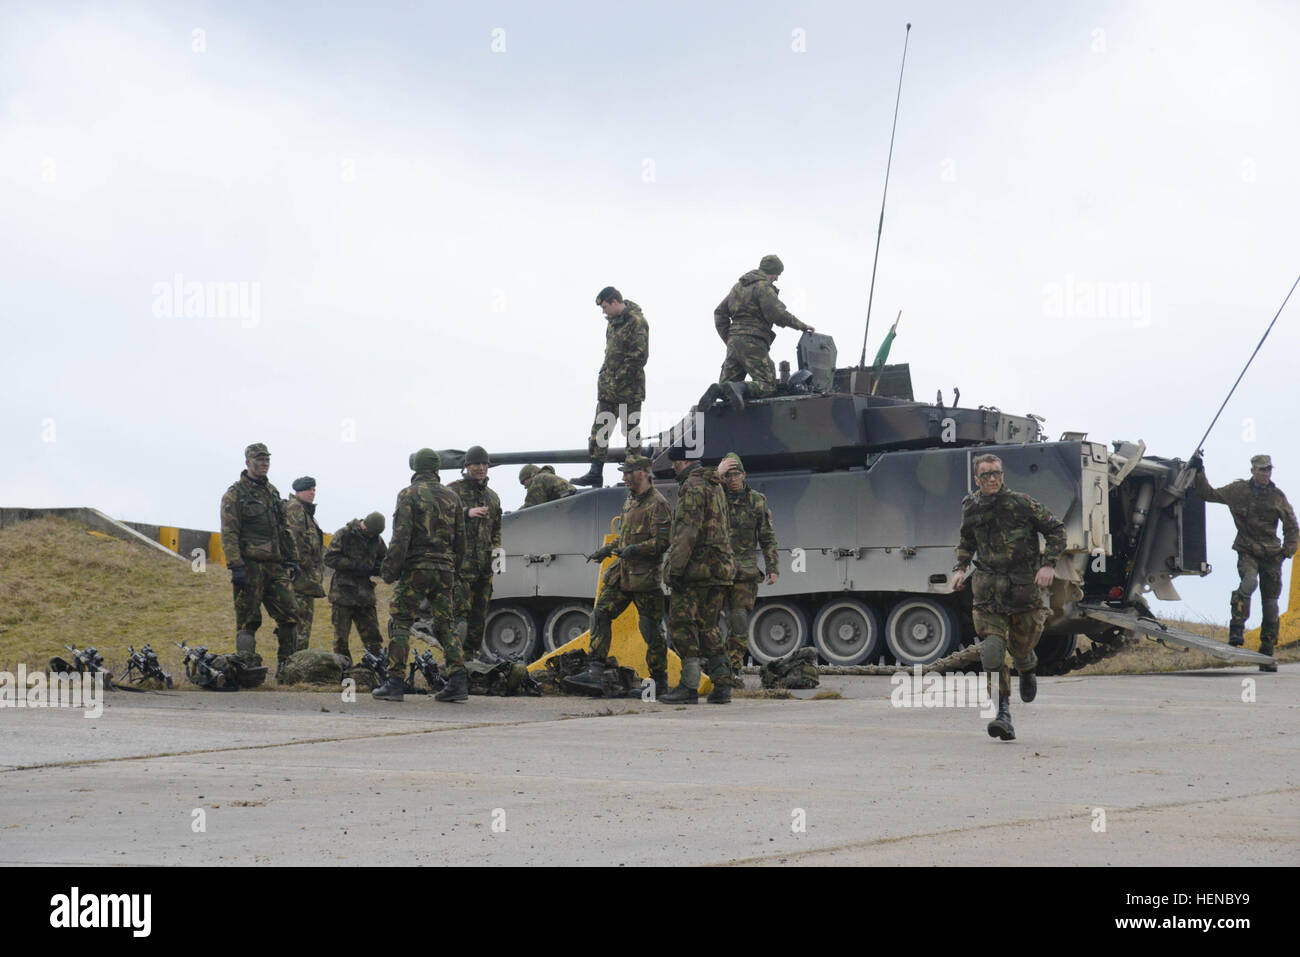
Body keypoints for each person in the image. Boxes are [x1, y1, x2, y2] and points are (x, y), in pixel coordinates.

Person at [951, 453, 1066, 741]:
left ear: (1003, 476)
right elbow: (967, 540)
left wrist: (1049, 564)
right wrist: (960, 568)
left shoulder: (1022, 503)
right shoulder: (971, 506)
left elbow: (1056, 529)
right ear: (977, 479)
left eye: (996, 473)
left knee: (1021, 648)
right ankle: (1003, 714)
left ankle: (1027, 667)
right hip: (988, 590)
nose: (992, 479)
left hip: (1023, 590)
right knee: (992, 653)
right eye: (986, 474)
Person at [565, 453, 672, 697]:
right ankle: (595, 670)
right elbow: (627, 537)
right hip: (622, 577)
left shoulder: (658, 504)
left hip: (644, 579)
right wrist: (609, 549)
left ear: (643, 473)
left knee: (651, 630)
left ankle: (659, 682)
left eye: (628, 473)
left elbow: (663, 542)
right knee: (600, 613)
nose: (624, 478)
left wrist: (635, 550)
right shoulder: (630, 501)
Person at [375, 448, 468, 702]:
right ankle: (458, 682)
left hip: (417, 567)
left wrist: (389, 571)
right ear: (437, 468)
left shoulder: (408, 495)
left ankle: (394, 682)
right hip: (445, 569)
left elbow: (401, 537)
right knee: (445, 624)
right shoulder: (453, 497)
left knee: (401, 620)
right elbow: (461, 541)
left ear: (416, 468)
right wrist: (454, 569)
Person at [1192, 452, 1297, 671]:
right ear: (1253, 471)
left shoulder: (1277, 497)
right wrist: (1199, 470)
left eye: (1268, 469)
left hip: (1271, 556)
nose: (1265, 473)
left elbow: (1291, 526)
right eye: (1261, 469)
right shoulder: (1238, 491)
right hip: (1247, 550)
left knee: (1270, 605)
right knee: (1249, 583)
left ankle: (1267, 652)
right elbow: (1207, 493)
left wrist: (1286, 552)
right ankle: (1237, 628)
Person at [660, 449, 737, 704]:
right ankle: (723, 684)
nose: (673, 468)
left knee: (682, 625)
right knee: (709, 626)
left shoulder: (692, 486)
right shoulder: (715, 485)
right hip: (720, 569)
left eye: (675, 464)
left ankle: (689, 686)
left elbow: (687, 531)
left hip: (697, 570)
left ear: (682, 462)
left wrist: (676, 569)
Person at [219, 442, 301, 679]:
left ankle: (287, 671)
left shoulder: (272, 492)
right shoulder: (235, 495)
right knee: (247, 621)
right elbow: (229, 532)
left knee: (290, 615)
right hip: (249, 566)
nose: (264, 464)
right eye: (259, 460)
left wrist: (292, 559)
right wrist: (236, 566)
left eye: (267, 460)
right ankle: (247, 670)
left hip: (275, 566)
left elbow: (284, 529)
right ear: (248, 462)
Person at [702, 255, 814, 412]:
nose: (777, 279)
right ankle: (738, 388)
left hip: (734, 344)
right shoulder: (763, 287)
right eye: (777, 274)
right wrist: (801, 326)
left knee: (728, 391)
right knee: (768, 385)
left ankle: (717, 390)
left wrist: (730, 338)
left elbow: (719, 313)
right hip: (753, 342)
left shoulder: (737, 287)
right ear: (772, 272)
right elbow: (778, 314)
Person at [572, 287, 648, 488]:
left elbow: (639, 357)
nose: (604, 312)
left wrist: (617, 378)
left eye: (605, 307)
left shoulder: (637, 322)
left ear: (615, 302)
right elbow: (610, 355)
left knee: (630, 432)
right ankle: (595, 472)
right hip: (608, 390)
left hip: (629, 390)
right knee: (600, 431)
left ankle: (633, 477)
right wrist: (605, 377)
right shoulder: (613, 325)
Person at [720, 453, 778, 688]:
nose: (732, 479)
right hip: (716, 570)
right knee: (708, 623)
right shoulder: (715, 498)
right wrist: (716, 473)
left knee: (739, 620)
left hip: (744, 571)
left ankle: (734, 669)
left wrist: (772, 567)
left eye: (736, 474)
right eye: (728, 475)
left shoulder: (757, 501)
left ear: (744, 475)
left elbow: (767, 537)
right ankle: (714, 667)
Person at [448, 446, 502, 661]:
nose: (481, 468)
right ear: (467, 466)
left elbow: (497, 528)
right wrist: (466, 513)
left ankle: (470, 660)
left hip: (484, 567)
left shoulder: (492, 497)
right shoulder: (453, 491)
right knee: (459, 615)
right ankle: (454, 660)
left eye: (484, 464)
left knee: (479, 616)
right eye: (476, 464)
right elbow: (439, 521)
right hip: (460, 566)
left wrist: (497, 550)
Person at [322, 511, 388, 665]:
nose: (372, 537)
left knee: (373, 637)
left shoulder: (377, 539)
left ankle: (376, 668)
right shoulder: (344, 534)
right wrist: (355, 565)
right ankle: (343, 670)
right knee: (341, 639)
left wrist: (378, 569)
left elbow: (384, 560)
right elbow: (329, 558)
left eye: (375, 534)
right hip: (342, 594)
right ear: (365, 526)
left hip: (365, 596)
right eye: (371, 533)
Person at [284, 476, 325, 649]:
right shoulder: (296, 509)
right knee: (300, 622)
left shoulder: (305, 511)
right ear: (299, 491)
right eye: (309, 490)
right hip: (300, 577)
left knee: (303, 623)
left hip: (306, 577)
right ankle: (294, 661)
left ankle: (296, 659)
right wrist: (306, 567)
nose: (312, 493)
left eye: (314, 490)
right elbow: (295, 541)